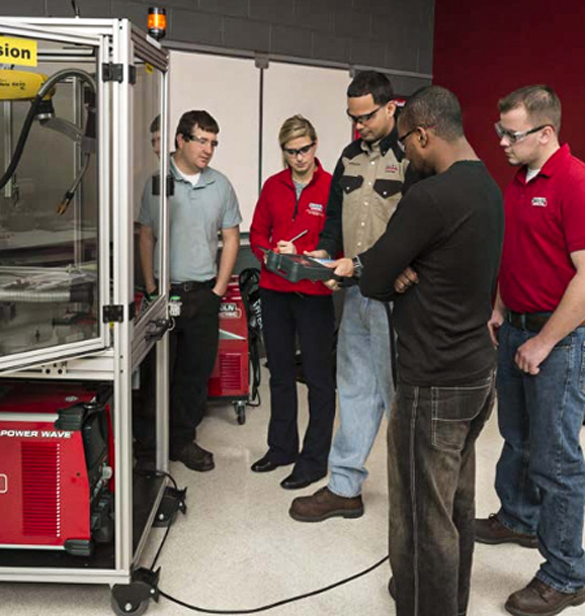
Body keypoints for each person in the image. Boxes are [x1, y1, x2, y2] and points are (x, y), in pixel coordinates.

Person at [332, 85, 503, 616]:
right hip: (476, 371)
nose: (404, 154)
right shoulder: (488, 187)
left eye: (407, 143)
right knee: (456, 505)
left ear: (424, 134)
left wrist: (396, 271)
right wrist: (403, 268)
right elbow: (401, 266)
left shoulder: (430, 198)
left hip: (432, 378)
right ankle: (442, 599)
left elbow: (376, 275)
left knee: (424, 515)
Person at [475, 85, 585, 616]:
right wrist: (499, 306)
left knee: (556, 459)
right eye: (500, 132)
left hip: (557, 340)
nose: (501, 142)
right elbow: (516, 253)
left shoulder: (575, 182)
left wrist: (544, 341)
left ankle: (566, 573)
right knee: (515, 438)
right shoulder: (519, 180)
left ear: (546, 133)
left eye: (511, 133)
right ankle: (517, 517)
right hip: (516, 327)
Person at [289, 71, 413, 522]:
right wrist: (323, 254)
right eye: (351, 118)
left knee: (400, 396)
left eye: (365, 117)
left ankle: (415, 494)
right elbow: (335, 219)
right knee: (356, 390)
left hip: (399, 299)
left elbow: (421, 226)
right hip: (356, 291)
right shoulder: (348, 156)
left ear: (390, 107)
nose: (358, 126)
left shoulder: (411, 157)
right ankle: (344, 487)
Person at [138, 109, 242, 472]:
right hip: (163, 294)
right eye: (202, 140)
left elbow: (230, 239)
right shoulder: (155, 179)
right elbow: (146, 233)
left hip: (202, 296)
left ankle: (182, 440)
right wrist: (151, 288)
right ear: (180, 140)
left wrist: (218, 290)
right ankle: (149, 448)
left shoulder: (221, 185)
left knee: (194, 375)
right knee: (154, 375)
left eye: (213, 142)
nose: (208, 149)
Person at [248, 115, 335, 490]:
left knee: (318, 379)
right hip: (275, 290)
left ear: (315, 146)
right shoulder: (273, 186)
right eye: (290, 152)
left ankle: (314, 460)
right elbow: (256, 233)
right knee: (280, 373)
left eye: (304, 150)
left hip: (314, 293)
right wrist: (272, 255)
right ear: (282, 151)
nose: (298, 158)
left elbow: (338, 241)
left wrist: (302, 253)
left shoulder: (333, 187)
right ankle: (281, 448)